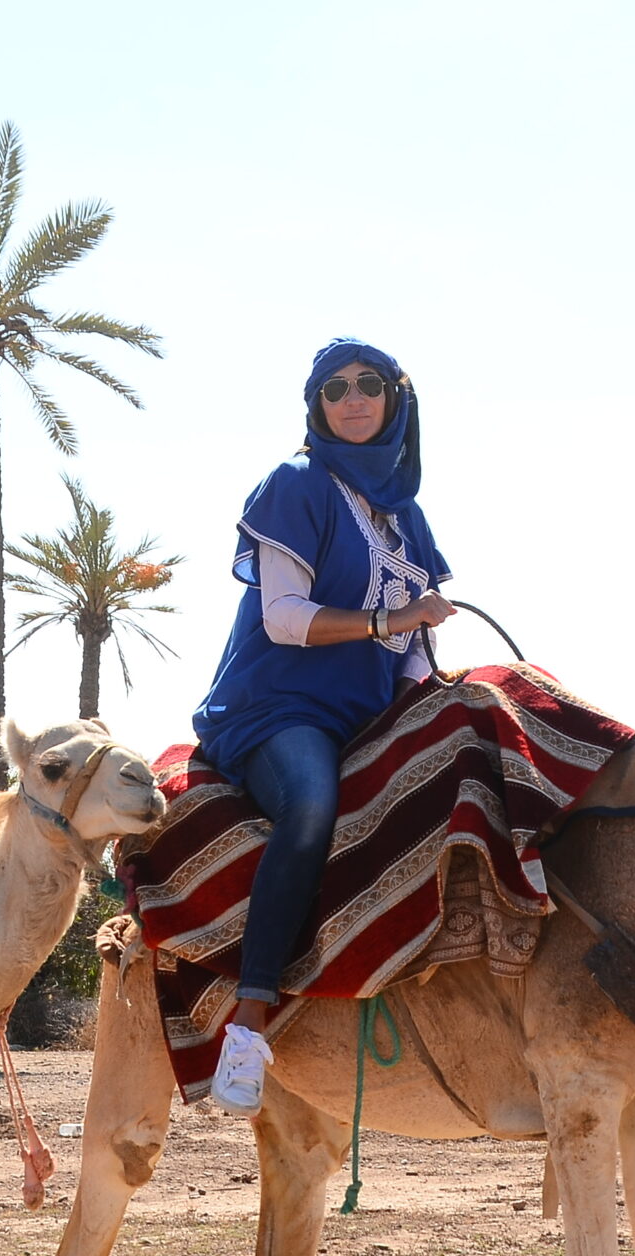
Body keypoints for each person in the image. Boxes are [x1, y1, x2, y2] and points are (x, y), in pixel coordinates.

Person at [191, 338, 456, 1115]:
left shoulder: (407, 518)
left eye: (367, 384)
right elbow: (281, 618)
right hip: (278, 707)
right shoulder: (296, 483)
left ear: (394, 397)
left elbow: (415, 647)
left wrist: (428, 690)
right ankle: (249, 1021)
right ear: (317, 406)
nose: (351, 398)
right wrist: (390, 618)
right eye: (333, 388)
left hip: (366, 715)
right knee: (310, 805)